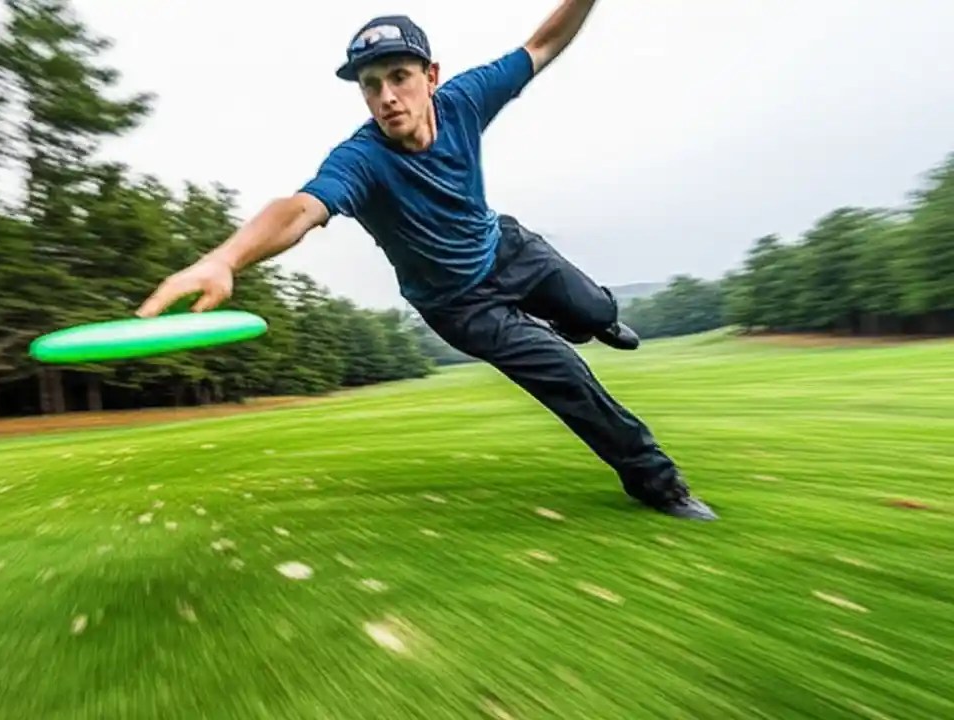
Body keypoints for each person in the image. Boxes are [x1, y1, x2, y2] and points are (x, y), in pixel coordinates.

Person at [137, 1, 717, 521]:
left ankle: (589, 317)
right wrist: (227, 259)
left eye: (399, 77)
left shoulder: (465, 99)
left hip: (505, 249)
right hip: (458, 305)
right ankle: (658, 484)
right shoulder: (361, 160)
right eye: (371, 85)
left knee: (596, 308)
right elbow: (300, 208)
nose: (387, 96)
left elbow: (542, 45)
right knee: (563, 373)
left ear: (429, 77)